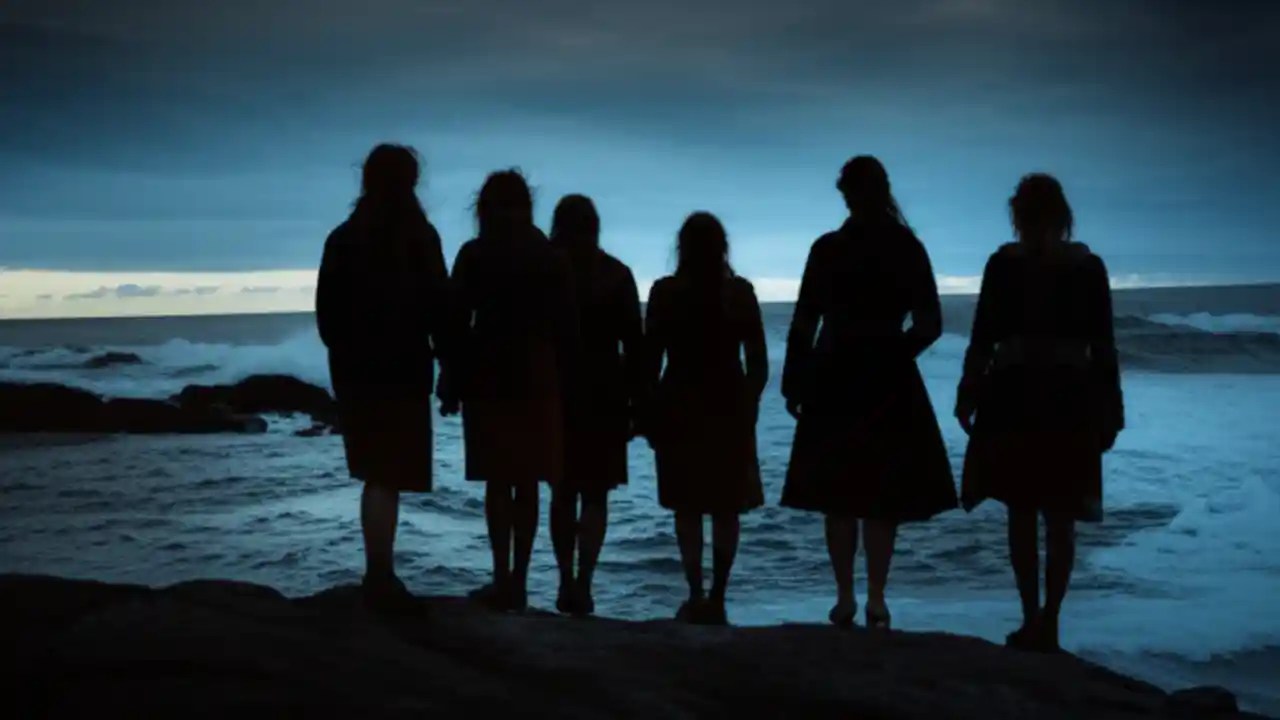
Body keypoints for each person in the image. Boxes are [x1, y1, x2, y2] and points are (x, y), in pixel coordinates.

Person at [780, 156, 957, 629]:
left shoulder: (829, 248)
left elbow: (804, 319)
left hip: (835, 370)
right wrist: (896, 353)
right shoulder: (906, 247)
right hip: (885, 375)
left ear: (848, 195)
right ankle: (874, 598)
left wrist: (795, 377)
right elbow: (930, 323)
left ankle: (846, 599)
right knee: (881, 496)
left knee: (841, 494)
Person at [955, 173, 1123, 652]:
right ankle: (1047, 621)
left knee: (1023, 511)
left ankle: (1033, 617)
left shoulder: (1003, 265)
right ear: (1062, 215)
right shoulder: (1087, 267)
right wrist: (1112, 411)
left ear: (1018, 215)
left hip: (1015, 395)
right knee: (1059, 514)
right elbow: (1104, 346)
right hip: (1068, 396)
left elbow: (982, 337)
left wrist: (969, 393)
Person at [315, 143, 450, 612]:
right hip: (406, 369)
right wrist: (449, 366)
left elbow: (327, 320)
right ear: (411, 182)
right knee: (389, 475)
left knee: (375, 473)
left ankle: (377, 571)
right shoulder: (421, 236)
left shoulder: (344, 237)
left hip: (357, 373)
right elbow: (441, 311)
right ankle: (381, 573)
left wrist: (347, 361)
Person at [440, 169, 578, 612]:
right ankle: (519, 579)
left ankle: (501, 577)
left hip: (488, 372)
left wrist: (450, 379)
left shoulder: (475, 253)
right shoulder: (550, 255)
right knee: (528, 480)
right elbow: (567, 328)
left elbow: (454, 323)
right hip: (538, 374)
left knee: (498, 480)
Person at [640, 211, 767, 626]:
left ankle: (695, 593)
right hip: (728, 403)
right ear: (722, 247)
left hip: (680, 403)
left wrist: (648, 411)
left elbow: (649, 363)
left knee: (688, 506)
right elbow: (758, 365)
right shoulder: (739, 293)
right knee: (726, 507)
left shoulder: (665, 293)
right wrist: (748, 406)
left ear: (682, 248)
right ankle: (718, 595)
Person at [547, 194, 643, 617]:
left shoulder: (548, 269)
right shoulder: (617, 274)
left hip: (556, 389)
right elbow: (636, 346)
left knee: (561, 491)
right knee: (596, 495)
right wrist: (640, 404)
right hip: (606, 392)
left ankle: (564, 578)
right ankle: (585, 581)